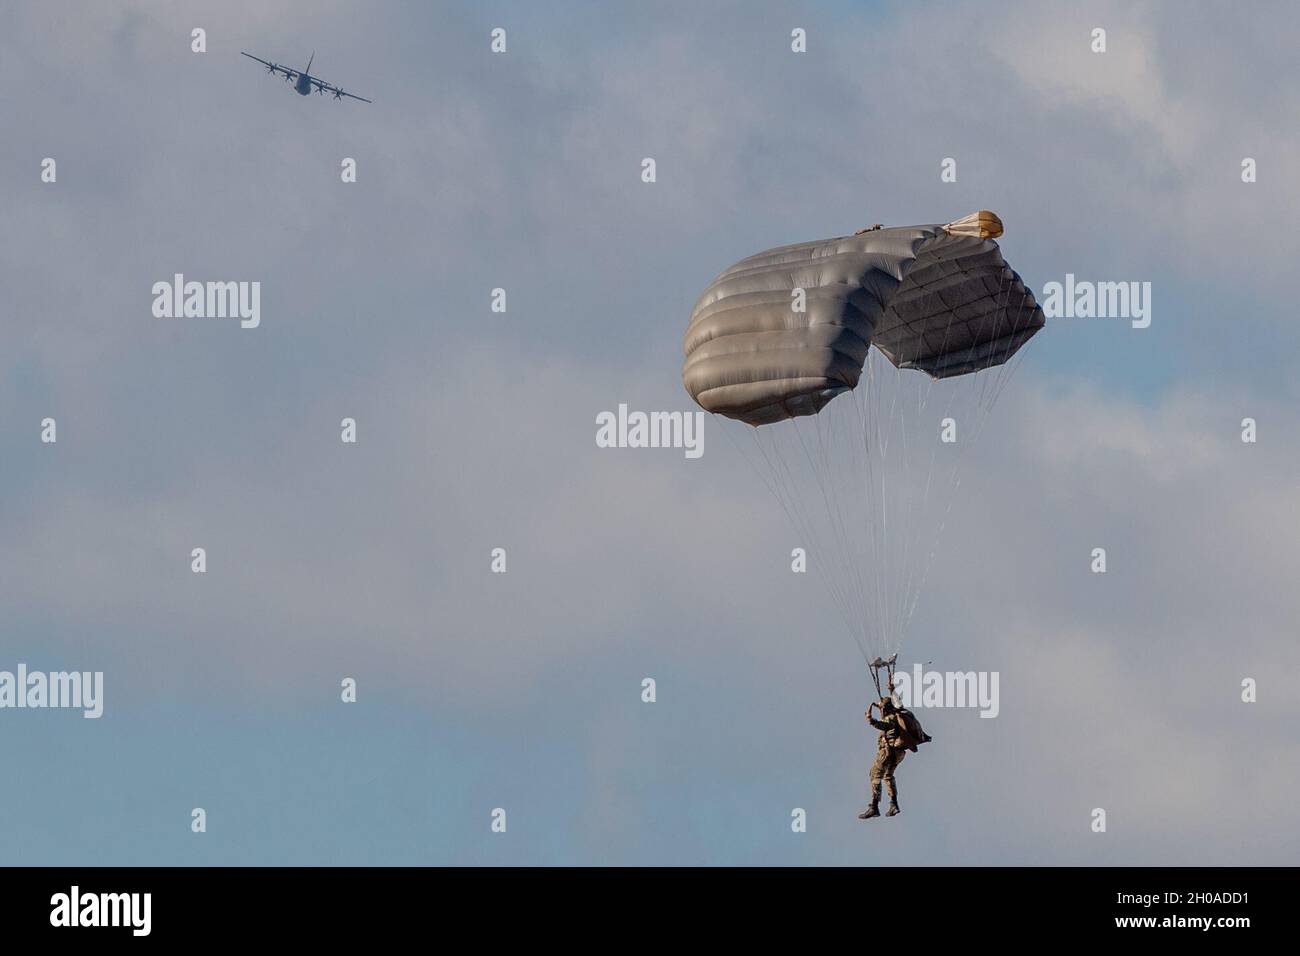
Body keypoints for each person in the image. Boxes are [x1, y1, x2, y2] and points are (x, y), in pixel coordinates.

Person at [859, 697, 906, 819]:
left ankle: (874, 807)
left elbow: (885, 725)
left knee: (874, 775)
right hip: (898, 754)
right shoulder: (897, 716)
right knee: (888, 776)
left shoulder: (890, 718)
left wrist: (871, 720)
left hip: (887, 752)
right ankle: (894, 804)